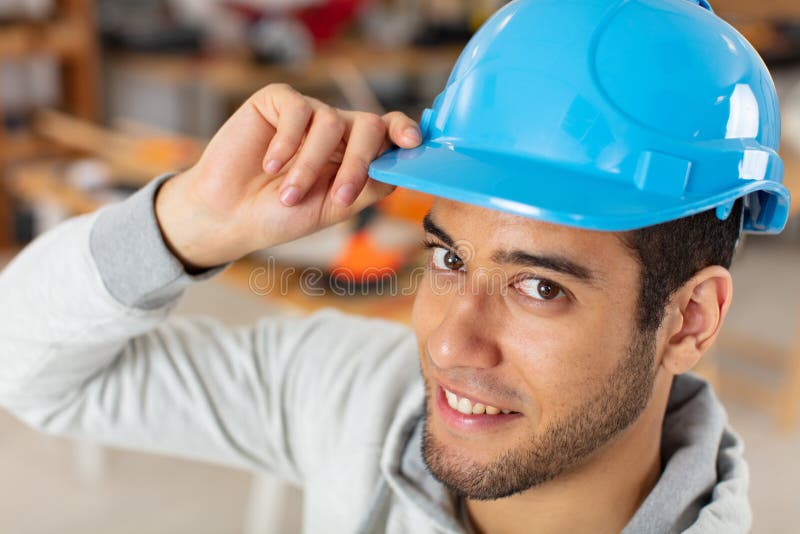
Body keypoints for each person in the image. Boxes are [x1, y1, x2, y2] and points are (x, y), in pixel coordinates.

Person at [0, 0, 791, 533]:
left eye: (539, 286)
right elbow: (28, 366)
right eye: (447, 257)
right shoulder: (359, 395)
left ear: (689, 320)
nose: (450, 346)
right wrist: (187, 223)